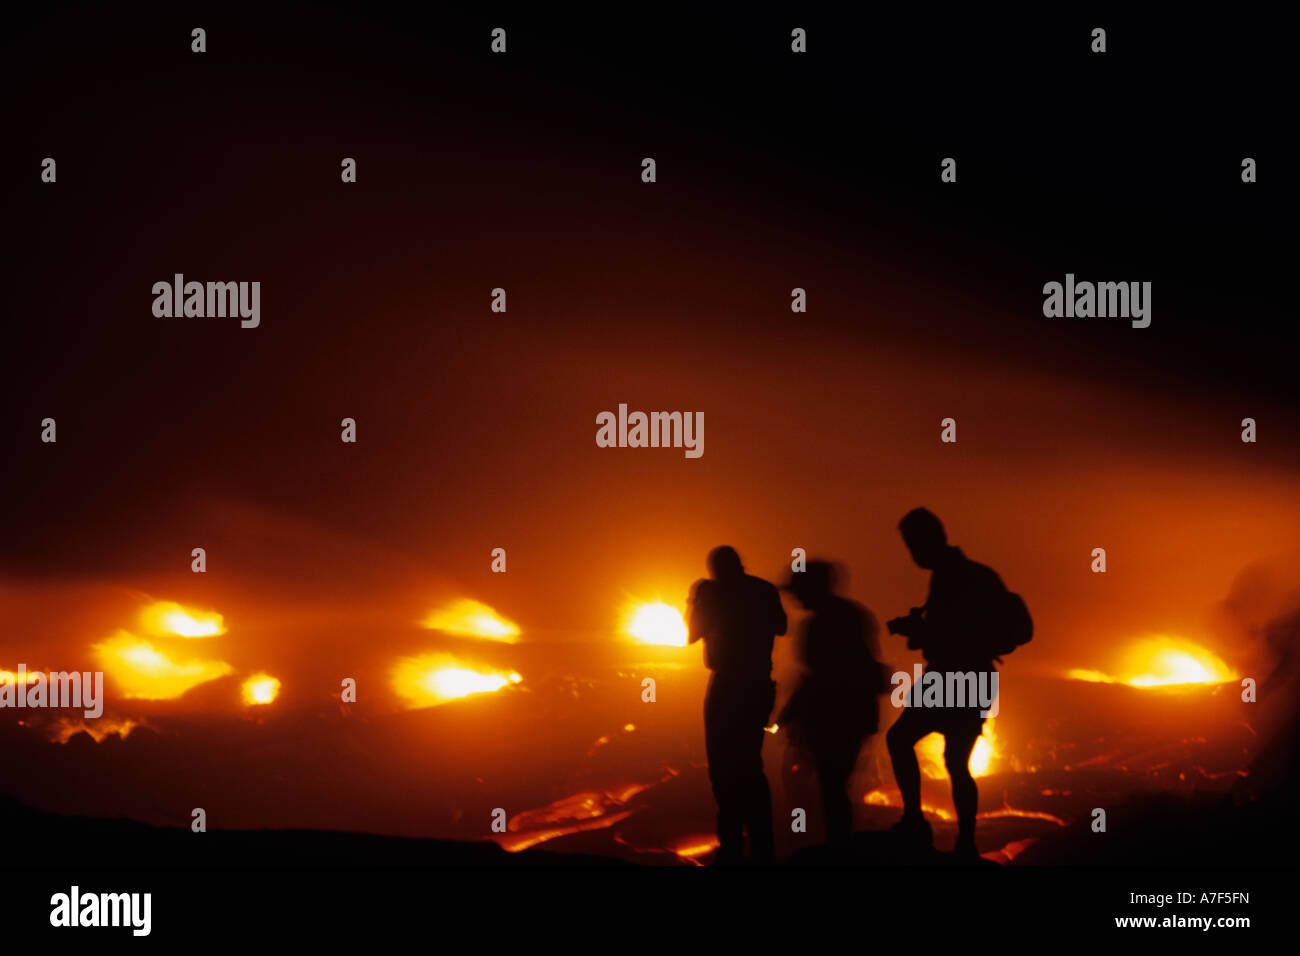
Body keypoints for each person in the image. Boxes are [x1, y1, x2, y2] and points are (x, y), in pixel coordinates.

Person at [885, 508, 1006, 856]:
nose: (912, 553)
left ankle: (917, 821)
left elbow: (952, 633)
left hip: (954, 676)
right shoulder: (970, 574)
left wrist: (916, 630)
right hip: (973, 678)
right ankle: (965, 841)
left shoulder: (952, 578)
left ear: (926, 541)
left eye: (912, 544)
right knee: (955, 762)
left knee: (903, 740)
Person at [688, 545, 787, 864]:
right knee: (750, 765)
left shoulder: (713, 594)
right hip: (758, 685)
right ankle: (762, 846)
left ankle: (731, 847)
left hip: (728, 684)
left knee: (722, 767)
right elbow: (781, 626)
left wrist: (695, 600)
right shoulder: (762, 590)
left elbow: (691, 634)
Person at [779, 560, 885, 844]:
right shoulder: (854, 615)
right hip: (855, 713)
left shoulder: (819, 624)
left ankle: (835, 847)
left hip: (836, 716)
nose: (794, 598)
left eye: (798, 590)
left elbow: (821, 676)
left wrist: (788, 715)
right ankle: (838, 843)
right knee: (835, 785)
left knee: (831, 786)